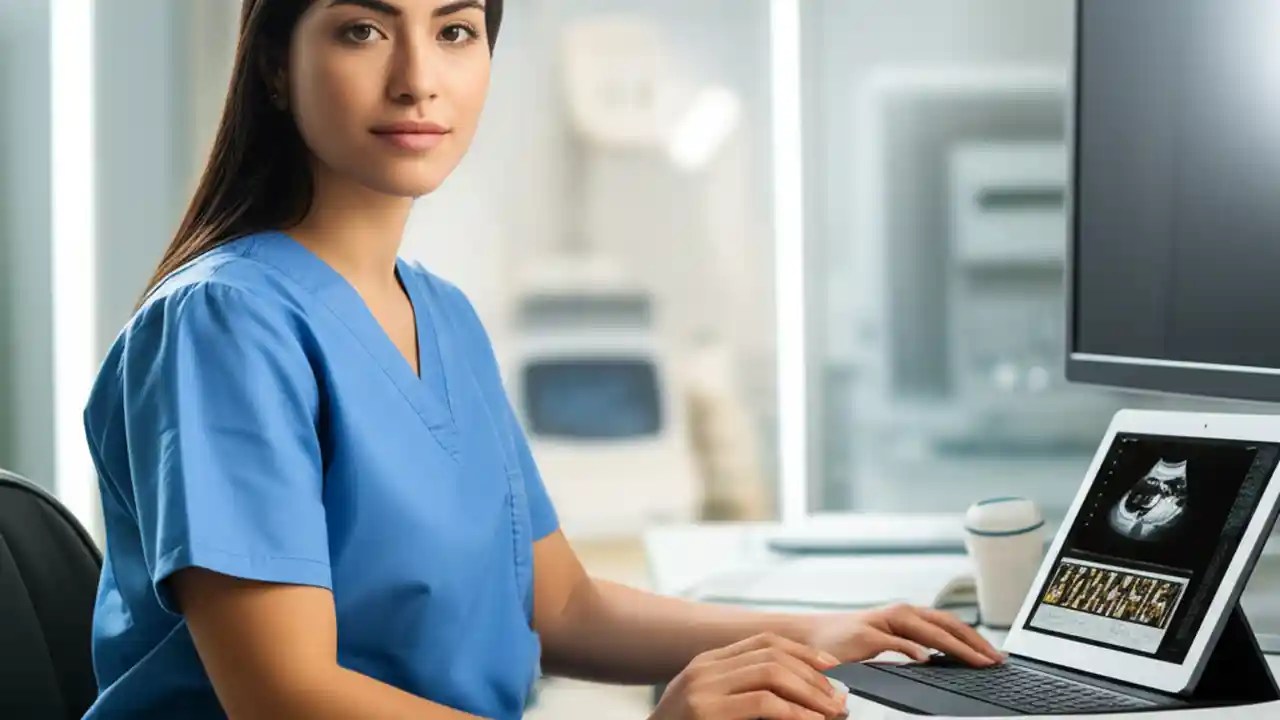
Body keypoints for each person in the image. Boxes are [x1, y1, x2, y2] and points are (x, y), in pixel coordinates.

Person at [80, 1, 1003, 718]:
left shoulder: (437, 313)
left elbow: (556, 607)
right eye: (361, 30)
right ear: (277, 68)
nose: (416, 79)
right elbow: (286, 700)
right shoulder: (225, 326)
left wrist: (816, 634)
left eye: (454, 31)